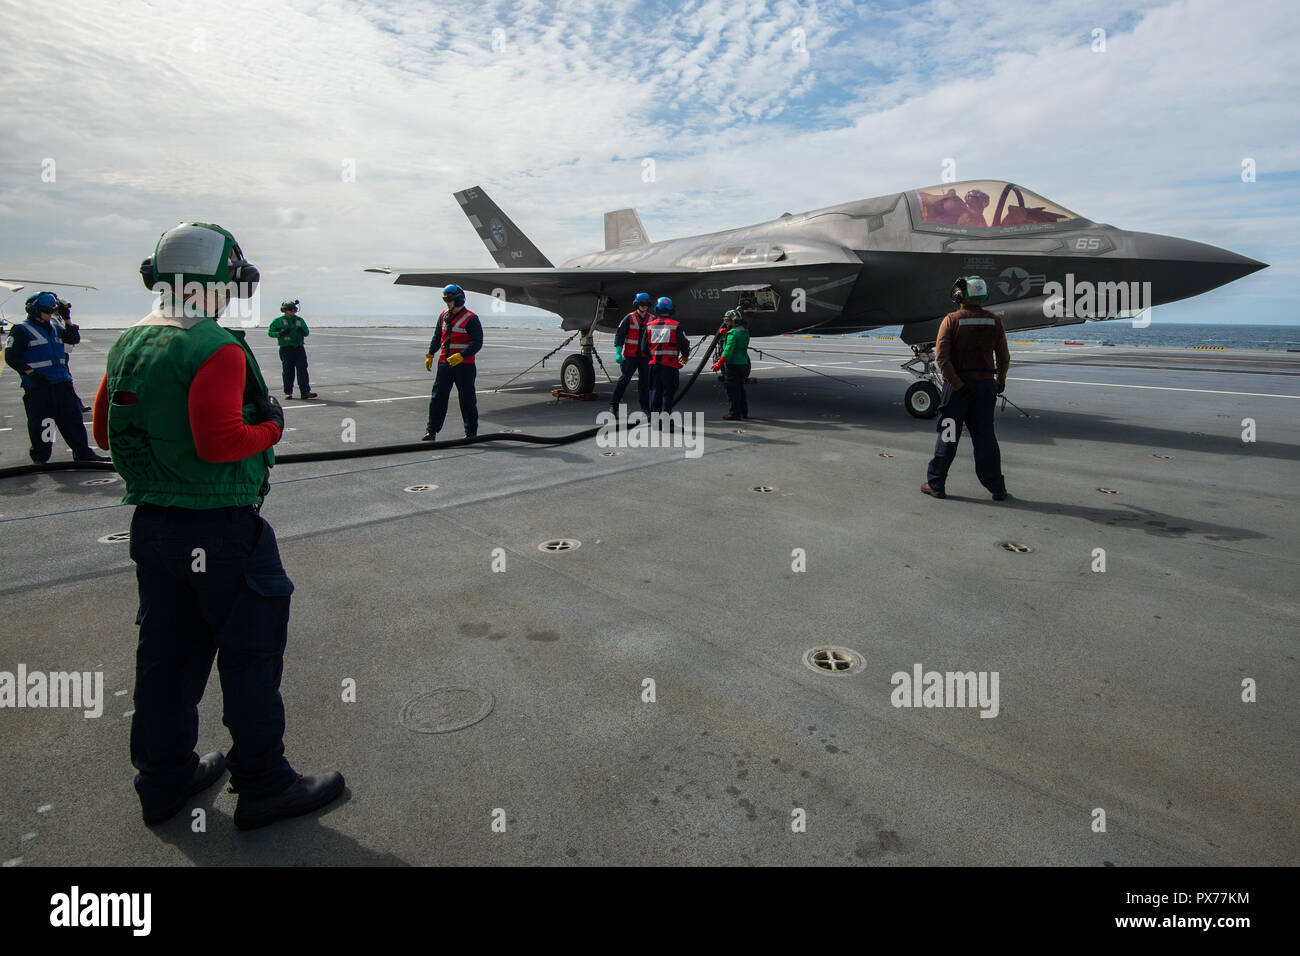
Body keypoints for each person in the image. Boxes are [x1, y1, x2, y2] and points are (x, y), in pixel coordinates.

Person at [93, 221, 343, 830]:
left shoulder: (128, 342)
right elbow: (221, 441)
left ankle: (164, 779)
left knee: (166, 660)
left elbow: (103, 433)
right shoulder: (217, 348)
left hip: (153, 527)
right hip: (221, 531)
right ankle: (263, 785)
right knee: (249, 659)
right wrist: (274, 427)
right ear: (217, 281)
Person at [921, 276, 1010, 501]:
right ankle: (996, 487)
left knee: (948, 435)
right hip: (986, 387)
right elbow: (1003, 357)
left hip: (958, 390)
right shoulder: (995, 321)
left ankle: (936, 484)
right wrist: (999, 381)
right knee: (985, 437)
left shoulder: (952, 320)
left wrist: (958, 385)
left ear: (961, 295)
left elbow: (941, 358)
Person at [4, 290, 107, 464]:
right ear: (34, 310)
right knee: (43, 423)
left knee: (73, 419)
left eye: (53, 310)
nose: (51, 313)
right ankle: (41, 457)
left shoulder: (54, 327)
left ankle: (83, 453)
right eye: (47, 310)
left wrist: (67, 319)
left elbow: (73, 338)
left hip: (62, 383)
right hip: (39, 386)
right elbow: (11, 356)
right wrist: (31, 373)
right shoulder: (21, 330)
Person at [423, 283, 483, 441]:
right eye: (446, 300)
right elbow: (438, 337)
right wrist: (430, 353)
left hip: (464, 366)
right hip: (445, 364)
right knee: (438, 398)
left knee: (467, 400)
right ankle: (431, 430)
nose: (447, 303)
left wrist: (462, 355)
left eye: (449, 300)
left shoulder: (471, 318)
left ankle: (471, 433)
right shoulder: (443, 316)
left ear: (458, 300)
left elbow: (477, 342)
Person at [641, 296, 689, 419]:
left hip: (654, 365)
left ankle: (655, 420)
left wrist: (653, 356)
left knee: (654, 392)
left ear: (657, 309)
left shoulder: (649, 325)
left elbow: (643, 348)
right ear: (672, 310)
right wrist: (685, 354)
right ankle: (665, 419)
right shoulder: (676, 325)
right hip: (670, 366)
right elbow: (684, 343)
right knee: (668, 393)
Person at [610, 291, 652, 415]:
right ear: (637, 304)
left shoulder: (652, 319)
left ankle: (645, 408)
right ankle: (614, 405)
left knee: (644, 384)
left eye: (646, 303)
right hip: (630, 356)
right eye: (641, 303)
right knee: (624, 381)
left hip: (645, 357)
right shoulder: (629, 318)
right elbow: (620, 335)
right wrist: (618, 351)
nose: (644, 306)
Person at [267, 299, 317, 400]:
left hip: (299, 348)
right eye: (290, 309)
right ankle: (288, 392)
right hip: (286, 348)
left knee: (302, 370)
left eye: (294, 309)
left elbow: (306, 332)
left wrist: (302, 331)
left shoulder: (299, 320)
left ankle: (305, 392)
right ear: (284, 310)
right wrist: (280, 334)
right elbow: (270, 332)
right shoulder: (278, 321)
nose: (292, 311)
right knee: (288, 371)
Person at [711, 308, 750, 420]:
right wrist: (725, 335)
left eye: (728, 321)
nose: (726, 323)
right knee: (740, 389)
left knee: (732, 389)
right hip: (743, 363)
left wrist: (718, 363)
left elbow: (728, 352)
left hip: (733, 365)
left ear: (734, 321)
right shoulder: (744, 331)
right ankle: (744, 411)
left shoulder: (732, 334)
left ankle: (734, 413)